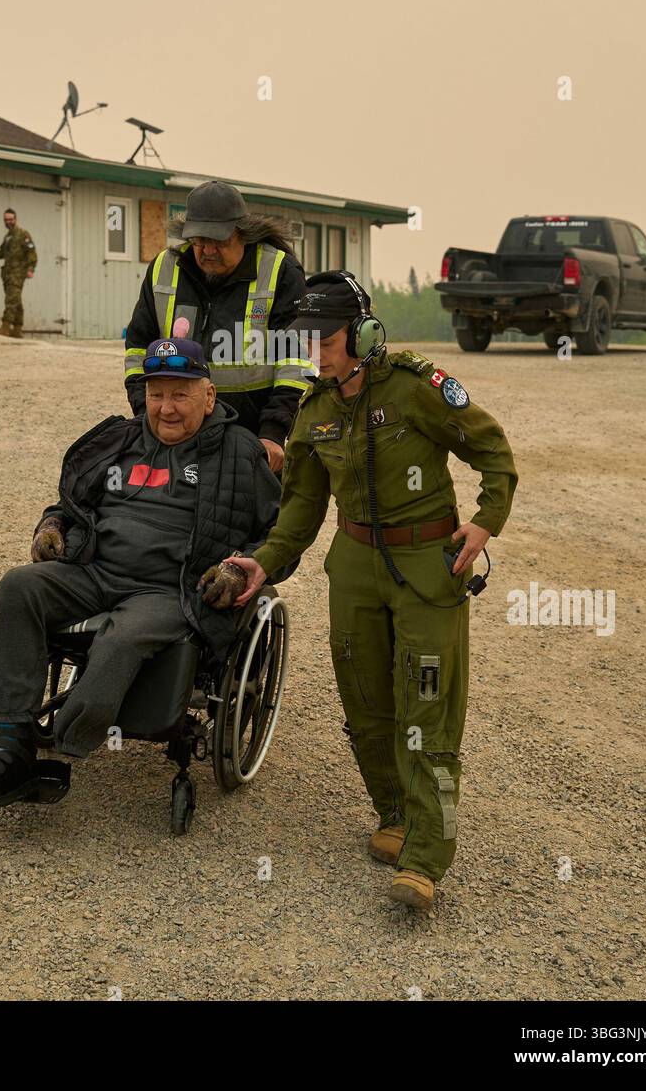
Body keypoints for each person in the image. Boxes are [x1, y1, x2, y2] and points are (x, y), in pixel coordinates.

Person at [226, 272, 518, 910]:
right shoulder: (316, 409)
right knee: (364, 701)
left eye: (324, 339)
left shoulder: (418, 388)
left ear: (363, 333)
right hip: (354, 563)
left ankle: (425, 859)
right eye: (305, 340)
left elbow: (494, 453)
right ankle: (394, 814)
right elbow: (300, 511)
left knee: (426, 706)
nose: (314, 352)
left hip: (426, 563)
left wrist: (485, 521)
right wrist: (263, 563)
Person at [0, 337, 282, 809]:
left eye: (180, 395)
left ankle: (73, 735)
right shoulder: (118, 441)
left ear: (209, 396)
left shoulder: (239, 454)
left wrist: (235, 572)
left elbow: (277, 539)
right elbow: (69, 507)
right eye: (156, 395)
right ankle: (10, 743)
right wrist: (52, 527)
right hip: (96, 571)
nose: (166, 409)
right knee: (19, 586)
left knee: (120, 636)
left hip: (172, 589)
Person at [123, 180, 316, 473]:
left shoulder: (280, 272)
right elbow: (138, 350)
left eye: (220, 241)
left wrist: (273, 433)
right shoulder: (163, 268)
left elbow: (296, 360)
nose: (208, 250)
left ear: (243, 234)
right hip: (179, 436)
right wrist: (145, 415)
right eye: (200, 240)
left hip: (254, 438)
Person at [0, 208, 37, 338]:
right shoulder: (8, 237)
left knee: (11, 300)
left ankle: (5, 327)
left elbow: (32, 253)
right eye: (6, 220)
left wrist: (31, 269)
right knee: (16, 301)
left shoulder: (23, 234)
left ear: (15, 219)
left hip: (18, 273)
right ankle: (17, 330)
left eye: (11, 219)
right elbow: (1, 254)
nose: (8, 222)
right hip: (7, 274)